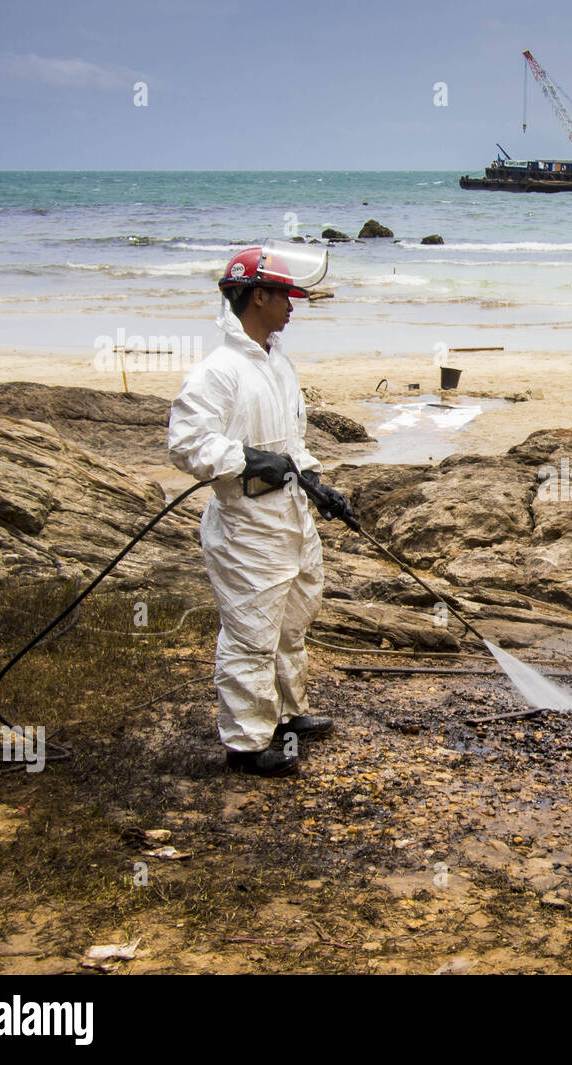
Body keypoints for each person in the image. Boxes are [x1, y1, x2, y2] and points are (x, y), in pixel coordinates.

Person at [168, 242, 350, 776]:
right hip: (247, 527)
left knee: (292, 623)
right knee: (251, 633)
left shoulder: (278, 364)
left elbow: (292, 442)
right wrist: (245, 459)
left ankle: (288, 715)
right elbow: (186, 444)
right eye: (287, 296)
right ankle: (246, 746)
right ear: (258, 295)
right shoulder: (218, 372)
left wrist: (315, 481)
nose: (293, 306)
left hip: (292, 520)